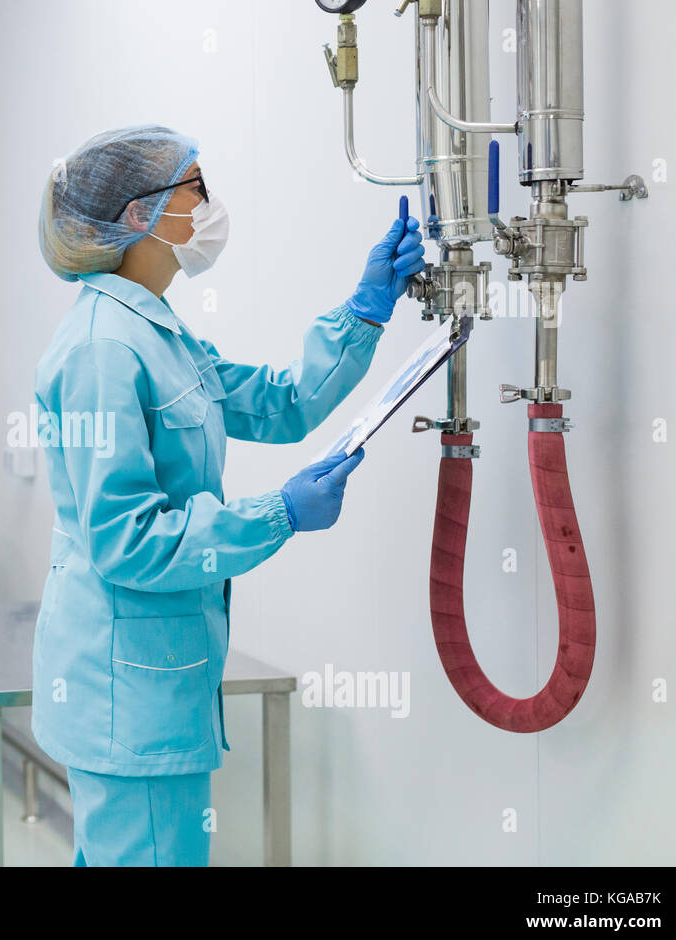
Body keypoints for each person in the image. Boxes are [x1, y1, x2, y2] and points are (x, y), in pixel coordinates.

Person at [32, 125, 423, 866]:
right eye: (197, 188)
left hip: (154, 687)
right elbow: (128, 541)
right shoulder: (102, 350)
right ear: (141, 216)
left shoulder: (156, 332)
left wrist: (367, 309)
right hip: (126, 699)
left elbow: (279, 403)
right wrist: (277, 514)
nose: (211, 206)